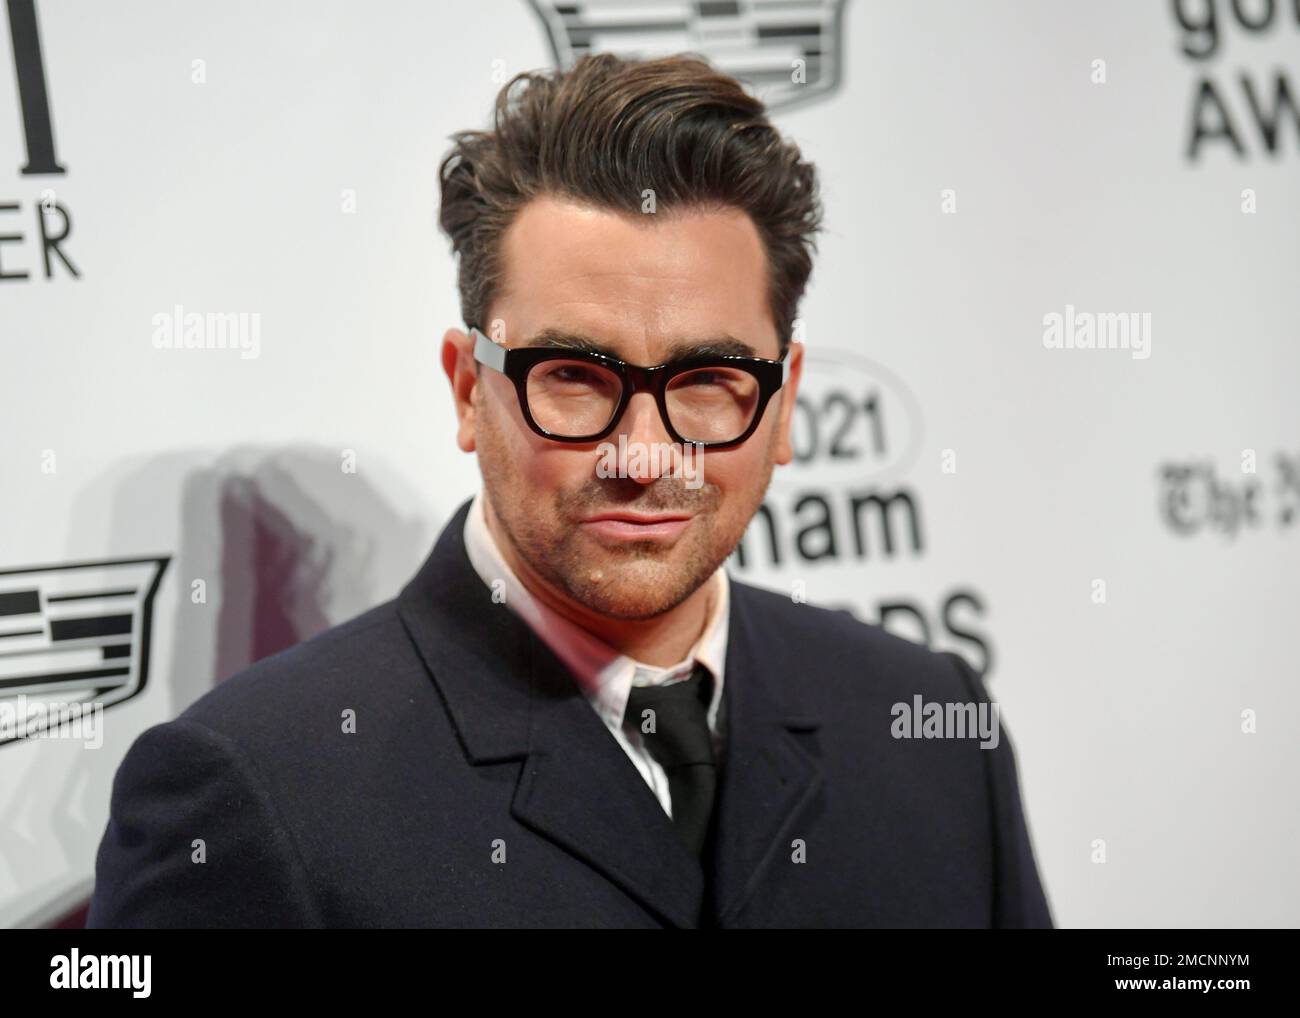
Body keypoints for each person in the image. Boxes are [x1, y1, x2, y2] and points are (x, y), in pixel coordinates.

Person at [87, 53, 1052, 928]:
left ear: (786, 401)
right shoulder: (257, 789)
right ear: (470, 391)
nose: (644, 452)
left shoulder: (929, 723)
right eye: (575, 378)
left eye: (709, 382)